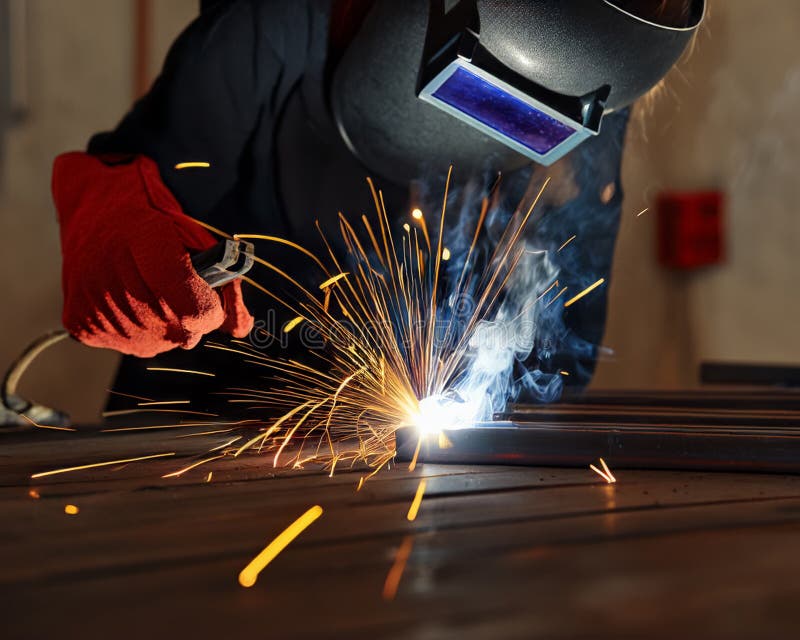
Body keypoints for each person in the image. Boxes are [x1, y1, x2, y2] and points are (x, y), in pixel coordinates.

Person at [52, 0, 704, 412]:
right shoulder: (280, 22)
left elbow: (563, 355)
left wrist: (491, 416)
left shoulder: (587, 101)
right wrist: (122, 249)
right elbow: (129, 179)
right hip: (198, 441)